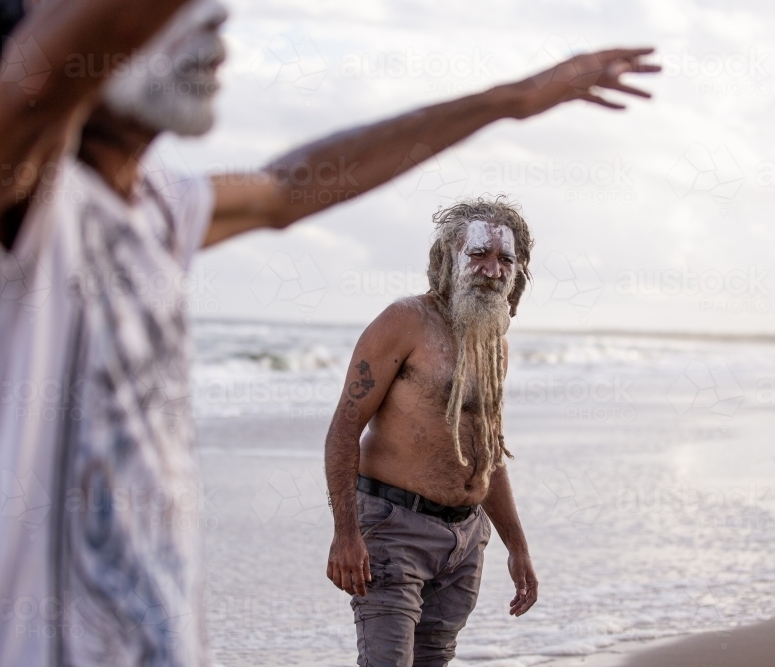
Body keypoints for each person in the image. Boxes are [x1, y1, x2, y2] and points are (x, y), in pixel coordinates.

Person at [0, 0, 658, 665]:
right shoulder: (25, 203)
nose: (215, 20)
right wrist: (348, 530)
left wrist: (509, 101)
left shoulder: (154, 213)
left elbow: (288, 188)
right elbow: (31, 89)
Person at [325, 197, 534, 665]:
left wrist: (517, 547)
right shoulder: (404, 322)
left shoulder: (494, 343)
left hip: (465, 539)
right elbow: (344, 428)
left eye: (505, 259)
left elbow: (488, 452)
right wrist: (346, 533)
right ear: (448, 256)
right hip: (394, 529)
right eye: (478, 253)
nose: (492, 270)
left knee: (435, 659)